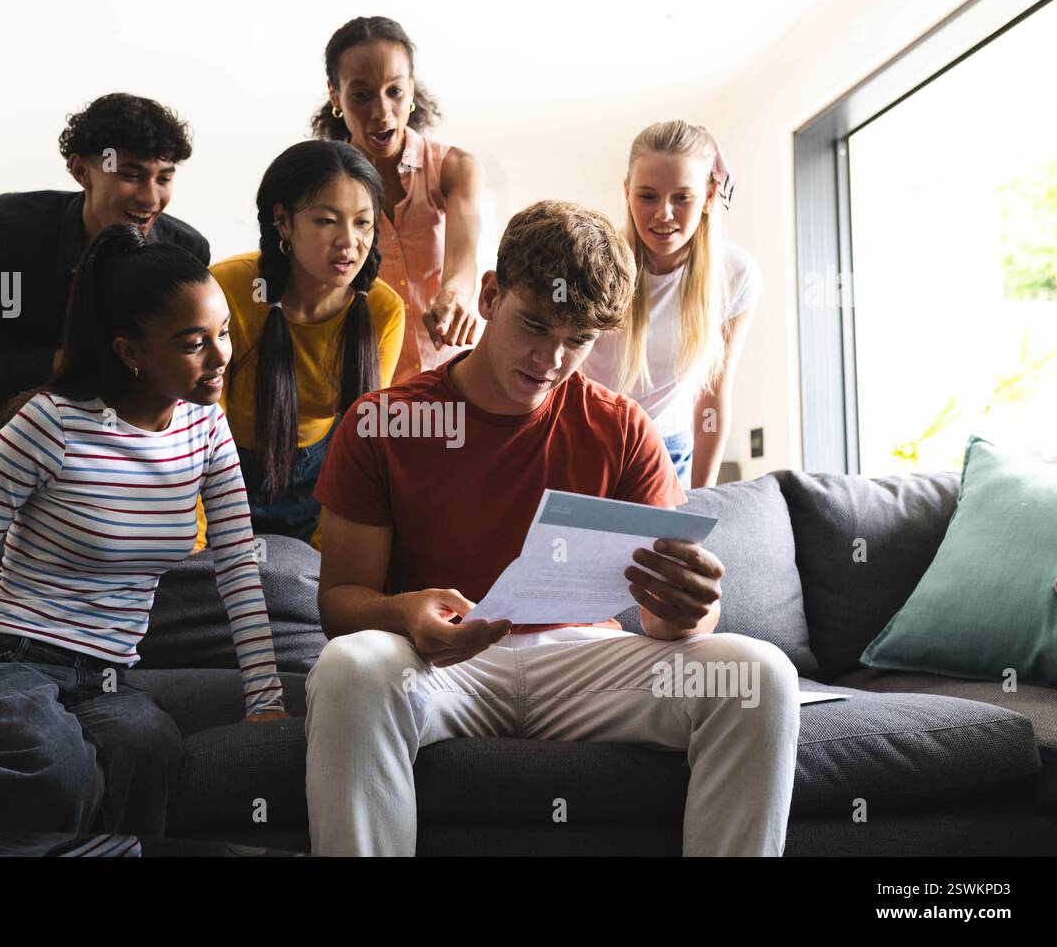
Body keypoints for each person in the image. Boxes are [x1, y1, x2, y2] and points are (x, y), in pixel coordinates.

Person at [304, 200, 800, 857]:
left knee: (760, 672)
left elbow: (664, 623)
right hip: (441, 662)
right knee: (347, 667)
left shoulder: (621, 427)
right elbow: (340, 602)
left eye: (579, 340)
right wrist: (399, 612)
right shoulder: (384, 421)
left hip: (583, 661)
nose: (551, 358)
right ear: (489, 294)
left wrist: (691, 612)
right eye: (533, 324)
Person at [0, 224, 287, 857]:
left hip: (106, 676)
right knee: (57, 765)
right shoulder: (49, 423)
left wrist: (265, 701)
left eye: (224, 332)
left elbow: (235, 562)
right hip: (0, 659)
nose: (220, 356)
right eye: (192, 343)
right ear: (130, 351)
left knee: (150, 749)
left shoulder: (205, 427)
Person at [0, 92, 211, 469]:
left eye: (164, 177)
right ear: (81, 171)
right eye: (130, 174)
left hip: (107, 462)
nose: (150, 196)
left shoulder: (187, 252)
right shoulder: (2, 230)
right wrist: (68, 362)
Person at [209, 140, 403, 548]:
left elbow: (362, 445)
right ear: (283, 222)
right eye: (327, 221)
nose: (349, 242)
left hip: (319, 488)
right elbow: (194, 432)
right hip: (222, 481)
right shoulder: (227, 289)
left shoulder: (384, 310)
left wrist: (326, 547)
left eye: (362, 223)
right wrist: (193, 544)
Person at [581, 120, 761, 489]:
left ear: (709, 197)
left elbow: (713, 397)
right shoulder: (593, 263)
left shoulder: (736, 275)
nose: (664, 213)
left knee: (660, 549)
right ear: (627, 192)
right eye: (647, 196)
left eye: (682, 197)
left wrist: (702, 498)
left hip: (668, 452)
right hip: (587, 441)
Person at [312, 15, 484, 385]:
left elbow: (463, 259)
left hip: (448, 376)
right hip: (360, 381)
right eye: (361, 94)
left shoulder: (455, 168)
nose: (381, 112)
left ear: (412, 89)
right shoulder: (318, 185)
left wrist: (455, 294)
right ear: (334, 95)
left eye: (394, 91)